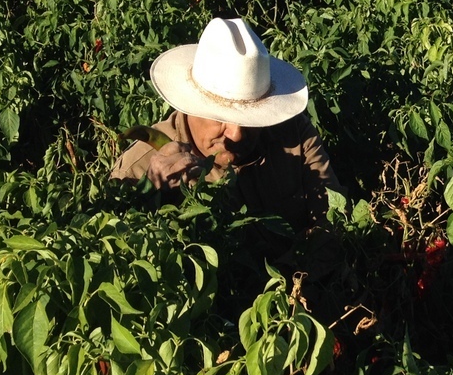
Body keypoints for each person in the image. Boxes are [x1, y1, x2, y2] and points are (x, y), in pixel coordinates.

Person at [111, 17, 347, 306]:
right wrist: (149, 195)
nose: (235, 133)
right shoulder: (140, 167)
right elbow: (119, 265)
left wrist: (285, 284)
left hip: (304, 294)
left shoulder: (292, 133)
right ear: (190, 105)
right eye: (221, 118)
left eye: (250, 118)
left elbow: (333, 220)